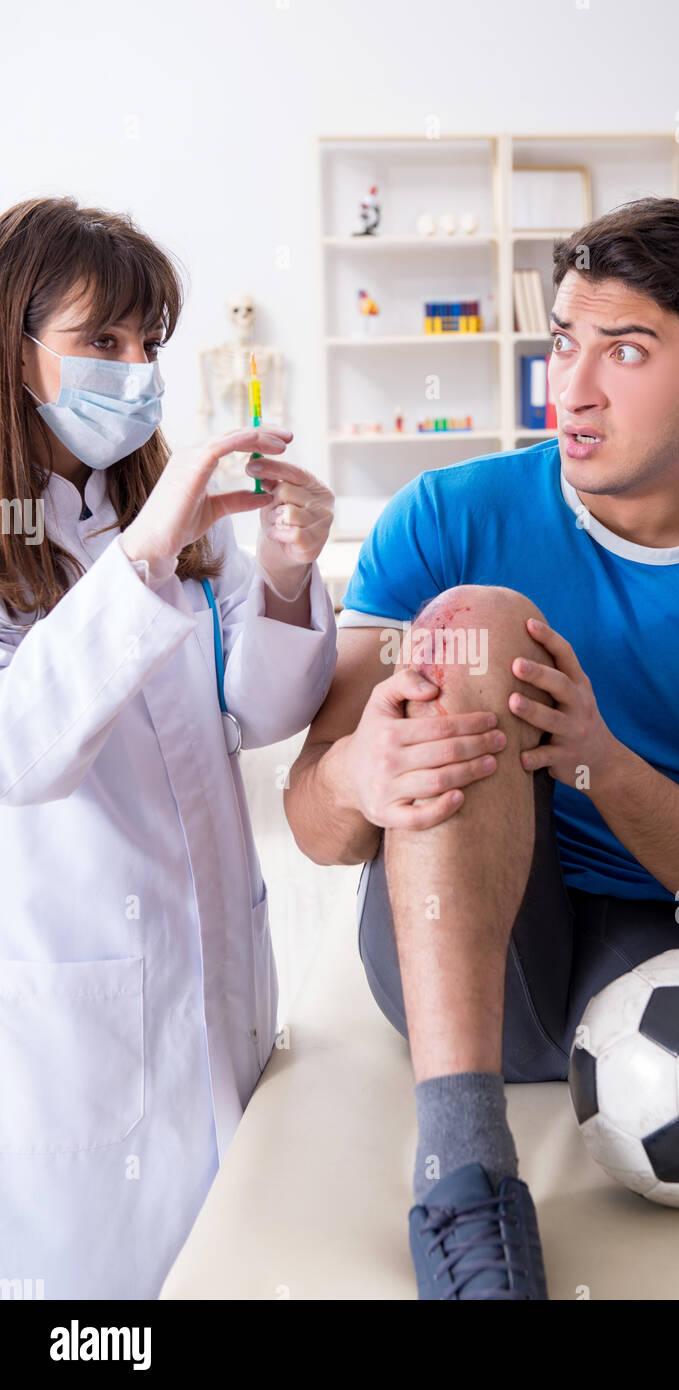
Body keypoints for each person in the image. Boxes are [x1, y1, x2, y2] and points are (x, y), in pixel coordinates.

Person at [286, 197, 679, 1301]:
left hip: (672, 928)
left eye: (627, 350)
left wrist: (597, 758)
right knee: (479, 618)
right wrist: (360, 771)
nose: (575, 386)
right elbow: (316, 823)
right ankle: (462, 1176)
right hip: (463, 941)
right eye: (564, 341)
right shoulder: (444, 516)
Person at [0, 196, 337, 1299]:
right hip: (71, 1011)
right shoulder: (139, 535)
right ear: (14, 346)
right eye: (102, 342)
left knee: (227, 1261)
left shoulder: (165, 519)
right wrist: (141, 559)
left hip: (211, 969)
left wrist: (285, 572)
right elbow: (22, 750)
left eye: (149, 343)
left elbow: (251, 712)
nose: (137, 372)